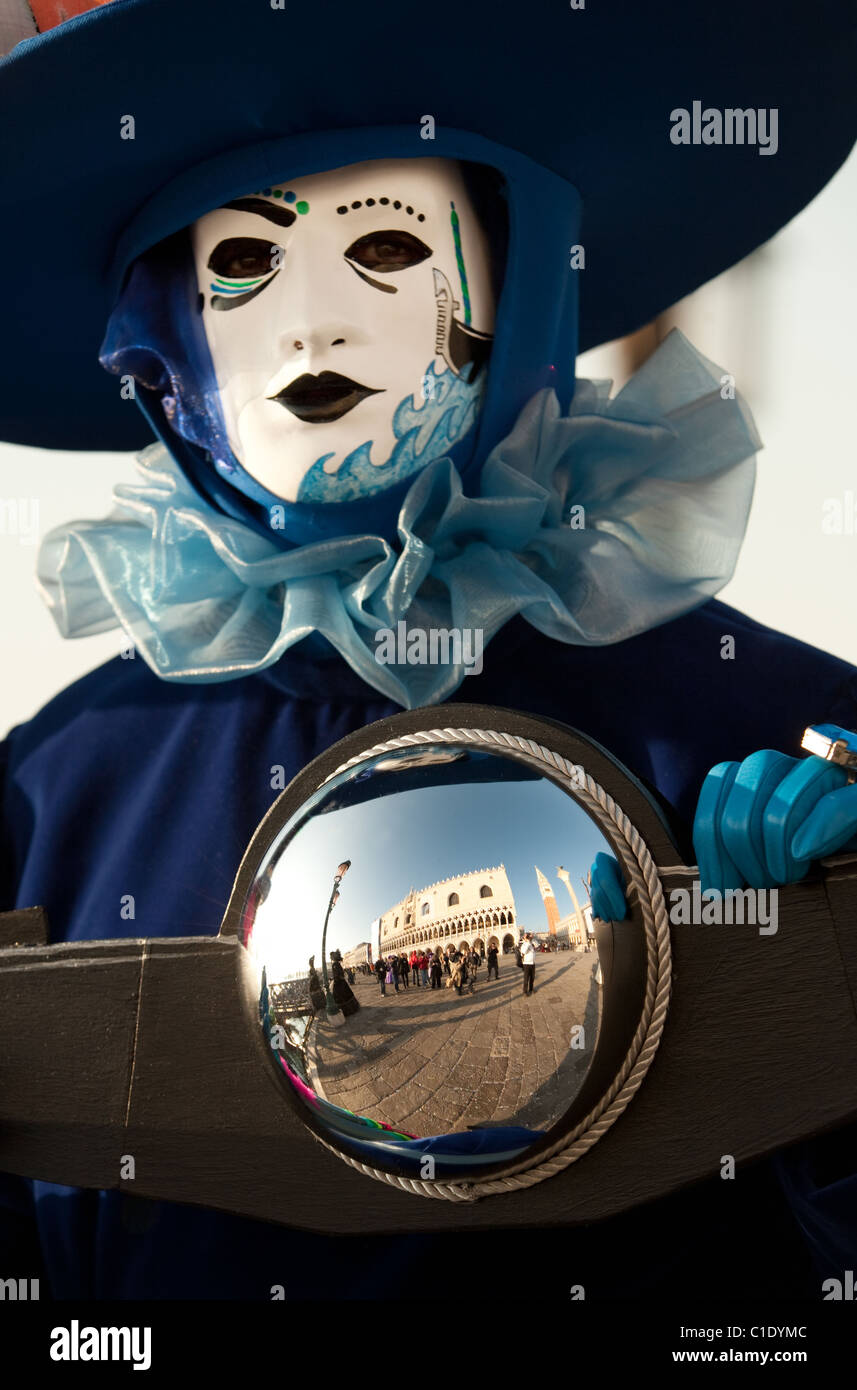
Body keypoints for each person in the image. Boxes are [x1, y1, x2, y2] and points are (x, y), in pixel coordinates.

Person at [2, 0, 857, 1306]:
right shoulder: (50, 794)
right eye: (244, 266)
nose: (313, 330)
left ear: (519, 283)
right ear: (166, 348)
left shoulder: (773, 730)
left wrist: (821, 975)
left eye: (387, 245)